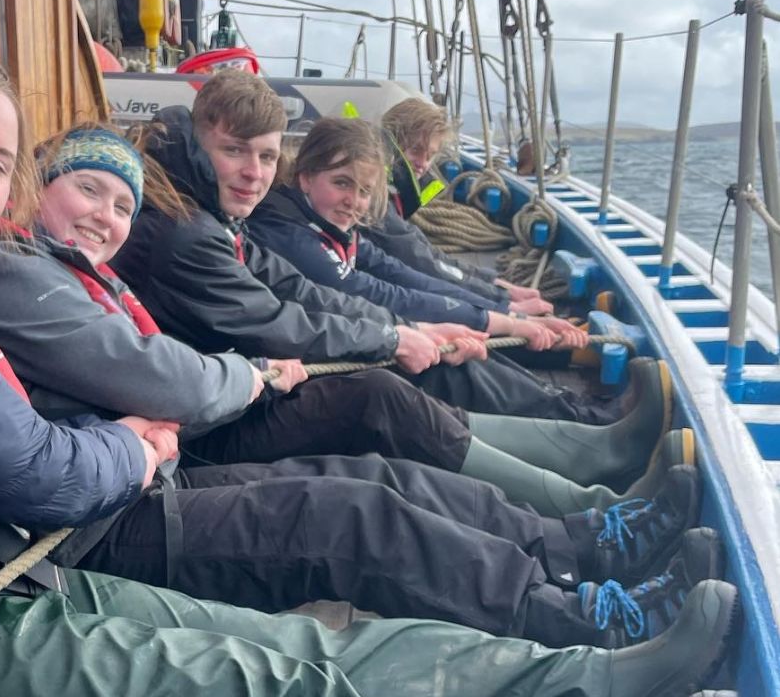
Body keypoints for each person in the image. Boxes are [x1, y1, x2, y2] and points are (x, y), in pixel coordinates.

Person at [0, 41, 742, 697]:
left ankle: (592, 645)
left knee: (322, 598)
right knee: (289, 674)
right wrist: (141, 443)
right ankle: (590, 627)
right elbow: (29, 458)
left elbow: (269, 318)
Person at [0, 123, 719, 644]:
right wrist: (244, 376)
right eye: (87, 192)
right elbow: (174, 372)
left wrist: (464, 318)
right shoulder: (22, 271)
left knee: (374, 477)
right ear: (35, 190)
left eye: (121, 202)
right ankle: (579, 612)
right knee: (353, 507)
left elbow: (339, 293)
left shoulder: (70, 266)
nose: (107, 216)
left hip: (152, 467)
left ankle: (576, 545)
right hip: (108, 512)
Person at [107, 70, 678, 510]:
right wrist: (394, 336)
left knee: (398, 373)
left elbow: (301, 289)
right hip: (195, 432)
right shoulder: (185, 232)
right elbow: (279, 320)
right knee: (379, 397)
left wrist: (410, 331)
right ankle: (584, 494)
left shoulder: (207, 214)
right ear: (200, 146)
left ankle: (588, 447)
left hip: (234, 384)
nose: (254, 172)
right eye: (234, 151)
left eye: (265, 155)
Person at [248, 116, 577, 346]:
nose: (353, 201)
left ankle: (570, 351)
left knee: (474, 338)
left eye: (364, 190)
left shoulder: (325, 218)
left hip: (359, 329)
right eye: (341, 183)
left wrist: (499, 305)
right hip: (322, 347)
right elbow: (384, 288)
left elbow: (401, 271)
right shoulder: (291, 235)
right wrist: (500, 312)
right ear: (305, 177)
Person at [377, 96, 546, 310]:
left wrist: (496, 285)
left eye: (430, 155)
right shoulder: (377, 202)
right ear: (390, 146)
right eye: (415, 151)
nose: (423, 164)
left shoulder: (390, 194)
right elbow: (423, 265)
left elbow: (427, 255)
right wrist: (504, 305)